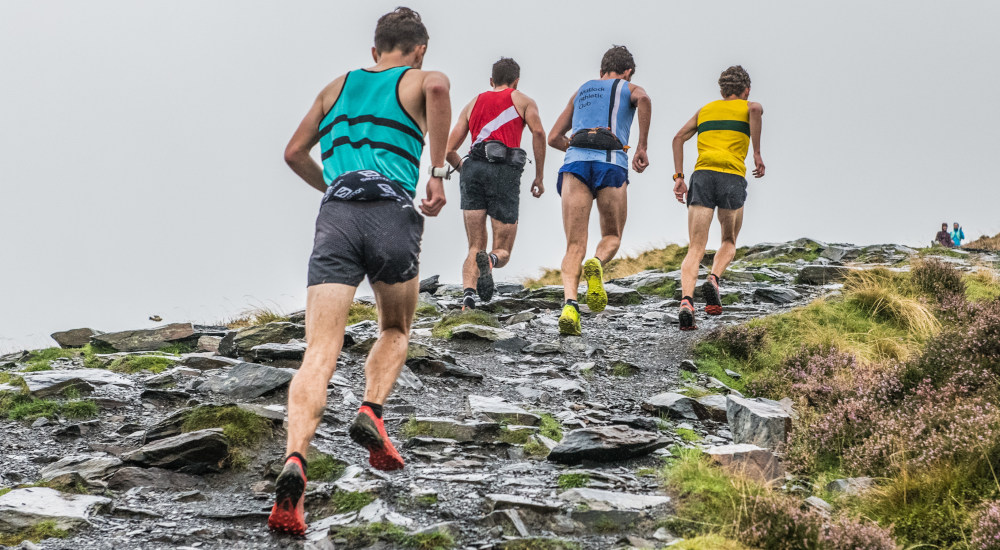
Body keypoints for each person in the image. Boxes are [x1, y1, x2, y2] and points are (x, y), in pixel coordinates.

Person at [269, 7, 451, 535]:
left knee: (319, 349)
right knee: (394, 326)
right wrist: (438, 172)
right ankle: (371, 410)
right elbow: (438, 88)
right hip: (390, 209)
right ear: (419, 49)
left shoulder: (336, 87)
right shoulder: (417, 77)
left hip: (338, 217)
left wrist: (333, 185)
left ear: (375, 50)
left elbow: (293, 152)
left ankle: (296, 460)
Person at [547, 45, 651, 335]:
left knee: (573, 246)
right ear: (627, 71)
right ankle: (597, 262)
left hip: (575, 165)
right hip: (611, 163)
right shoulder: (628, 87)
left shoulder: (581, 91)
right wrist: (641, 146)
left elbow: (554, 137)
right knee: (611, 235)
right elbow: (644, 99)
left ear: (601, 70)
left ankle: (570, 306)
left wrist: (578, 148)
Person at [445, 57, 547, 309]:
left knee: (474, 245)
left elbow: (449, 150)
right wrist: (539, 176)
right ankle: (490, 261)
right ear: (516, 81)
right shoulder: (523, 101)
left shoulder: (472, 104)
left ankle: (468, 299)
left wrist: (466, 171)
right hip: (504, 173)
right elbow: (538, 132)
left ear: (491, 80)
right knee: (503, 250)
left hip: (473, 169)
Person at [671, 65, 764, 330]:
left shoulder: (705, 110)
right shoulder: (749, 106)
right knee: (729, 240)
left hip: (702, 176)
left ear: (722, 91)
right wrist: (757, 153)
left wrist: (679, 176)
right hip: (731, 177)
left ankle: (687, 302)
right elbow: (756, 110)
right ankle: (713, 278)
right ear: (746, 90)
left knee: (695, 247)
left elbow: (678, 138)